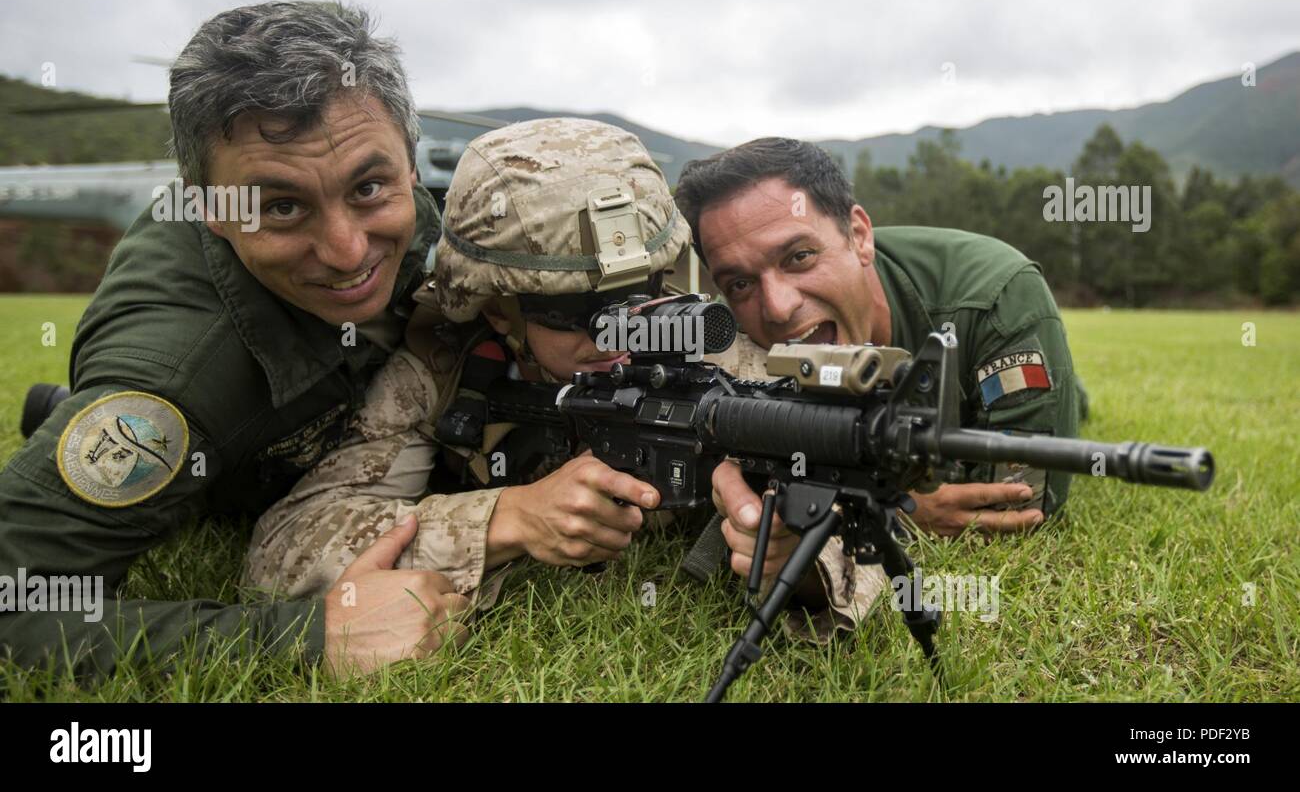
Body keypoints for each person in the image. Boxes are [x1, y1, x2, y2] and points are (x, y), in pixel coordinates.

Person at [242, 118, 887, 673]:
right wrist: (508, 519)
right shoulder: (442, 370)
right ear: (499, 314)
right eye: (573, 311)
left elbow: (863, 504)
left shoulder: (711, 352)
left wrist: (798, 561)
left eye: (639, 297)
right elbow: (284, 547)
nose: (618, 332)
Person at [0, 1, 466, 678]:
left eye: (369, 186)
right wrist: (305, 637)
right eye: (281, 205)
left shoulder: (446, 234)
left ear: (411, 168)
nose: (347, 249)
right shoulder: (172, 383)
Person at [673, 137, 1084, 556]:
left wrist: (885, 510)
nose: (778, 307)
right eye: (740, 284)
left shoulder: (997, 298)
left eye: (799, 257)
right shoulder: (727, 337)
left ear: (859, 235)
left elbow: (1021, 506)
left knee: (1074, 404)